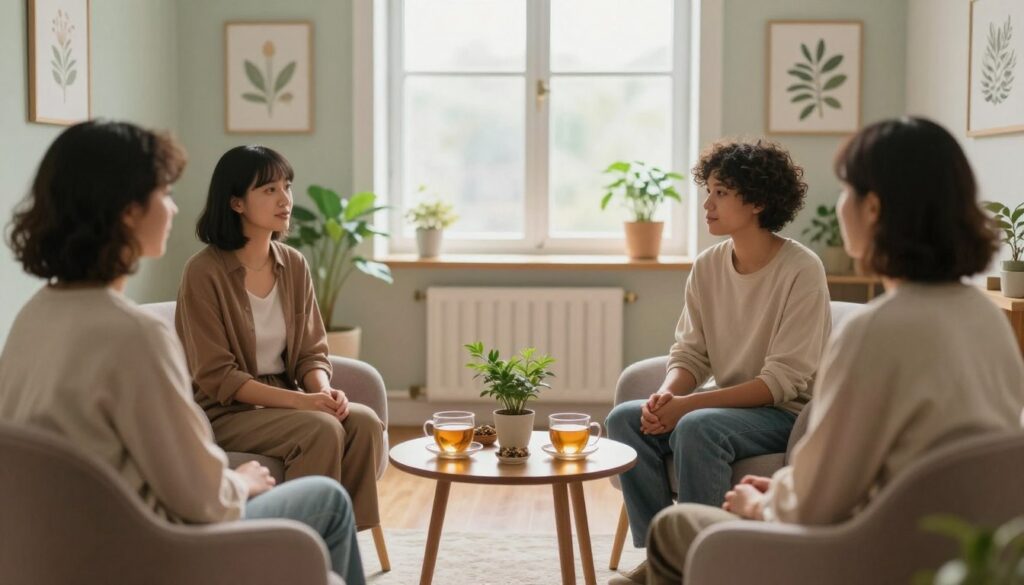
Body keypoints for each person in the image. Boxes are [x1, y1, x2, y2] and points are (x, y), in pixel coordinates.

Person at [642, 117, 1024, 585]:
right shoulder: (988, 320)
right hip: (964, 559)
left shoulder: (874, 331)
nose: (840, 205)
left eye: (847, 190)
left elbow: (817, 505)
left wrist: (760, 504)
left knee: (676, 528)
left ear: (873, 209)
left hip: (862, 559)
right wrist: (784, 488)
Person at [0, 120, 364, 585]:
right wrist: (244, 480)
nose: (173, 208)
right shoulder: (134, 337)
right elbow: (201, 495)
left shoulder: (32, 318)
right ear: (129, 211)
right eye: (165, 192)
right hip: (154, 555)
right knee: (328, 503)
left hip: (60, 553)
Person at [607, 139, 831, 584]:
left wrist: (686, 408)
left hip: (785, 413)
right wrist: (666, 395)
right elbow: (691, 353)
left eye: (721, 193)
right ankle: (664, 558)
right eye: (707, 191)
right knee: (625, 419)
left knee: (696, 426)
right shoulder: (708, 265)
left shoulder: (801, 270)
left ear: (758, 202)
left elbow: (781, 382)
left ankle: (706, 559)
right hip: (726, 405)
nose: (707, 204)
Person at [175, 145, 383, 531]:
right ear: (236, 202)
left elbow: (311, 352)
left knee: (364, 422)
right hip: (225, 412)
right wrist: (303, 403)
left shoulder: (293, 264)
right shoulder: (203, 272)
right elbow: (218, 376)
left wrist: (324, 391)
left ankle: (342, 540)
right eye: (269, 190)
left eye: (286, 186)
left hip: (286, 400)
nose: (285, 199)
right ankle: (297, 547)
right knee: (319, 429)